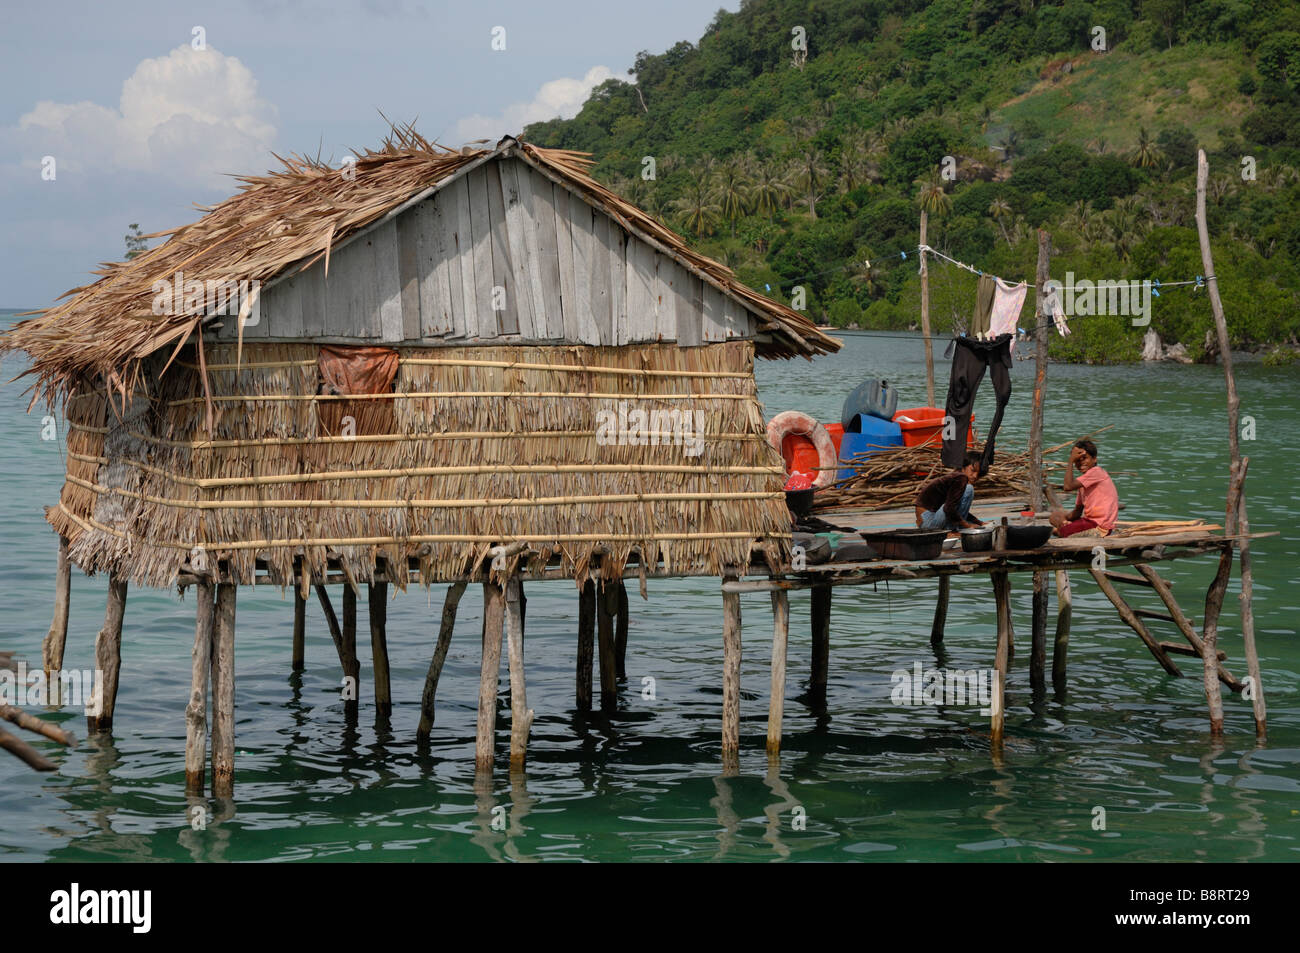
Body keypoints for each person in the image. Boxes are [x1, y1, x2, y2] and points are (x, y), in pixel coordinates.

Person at [1050, 438, 1118, 538]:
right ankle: (1065, 528)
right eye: (1077, 460)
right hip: (1089, 522)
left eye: (1084, 458)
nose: (1081, 462)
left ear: (1094, 459)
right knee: (1054, 516)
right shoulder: (1083, 483)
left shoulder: (1097, 472)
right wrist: (1063, 519)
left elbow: (1067, 487)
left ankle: (1064, 530)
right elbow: (1077, 512)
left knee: (1058, 531)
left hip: (1100, 527)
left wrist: (1070, 460)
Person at [915, 451, 985, 531]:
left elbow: (956, 509)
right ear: (964, 467)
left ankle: (955, 527)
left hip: (929, 520)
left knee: (968, 521)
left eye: (978, 474)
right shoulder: (961, 478)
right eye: (973, 470)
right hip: (928, 521)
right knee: (969, 489)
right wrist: (967, 525)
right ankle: (952, 529)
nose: (975, 476)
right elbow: (948, 509)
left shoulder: (956, 476)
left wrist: (979, 522)